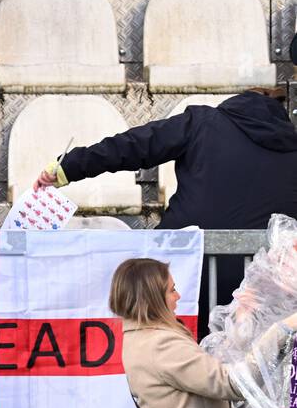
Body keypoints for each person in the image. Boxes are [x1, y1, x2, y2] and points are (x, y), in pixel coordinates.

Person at [35, 87, 297, 334]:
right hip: (257, 287)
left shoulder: (203, 122)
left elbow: (133, 145)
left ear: (233, 105)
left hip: (182, 271)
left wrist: (67, 167)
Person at [111, 257, 297, 408]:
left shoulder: (144, 338)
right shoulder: (160, 345)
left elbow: (206, 373)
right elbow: (233, 384)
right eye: (171, 290)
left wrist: (241, 326)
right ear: (152, 299)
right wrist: (283, 329)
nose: (178, 296)